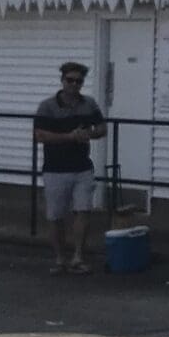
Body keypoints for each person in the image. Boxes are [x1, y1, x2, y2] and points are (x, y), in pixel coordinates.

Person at [33, 60, 106, 274]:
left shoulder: (89, 104)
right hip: (55, 168)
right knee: (56, 216)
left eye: (79, 81)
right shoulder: (47, 106)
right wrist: (69, 136)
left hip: (82, 167)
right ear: (62, 81)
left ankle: (78, 256)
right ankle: (59, 258)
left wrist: (89, 134)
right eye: (70, 80)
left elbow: (101, 128)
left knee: (83, 211)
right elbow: (39, 135)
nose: (74, 85)